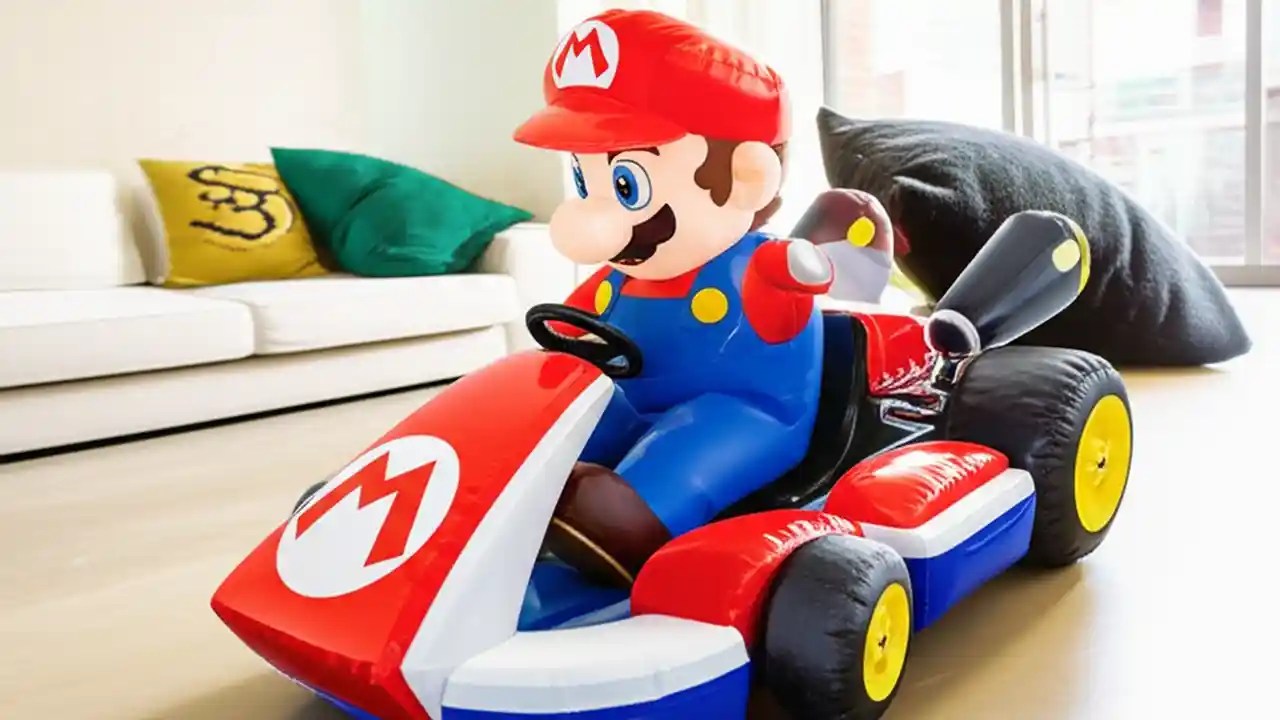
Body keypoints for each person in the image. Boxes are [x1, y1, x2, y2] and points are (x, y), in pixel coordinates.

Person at [513, 9, 832, 586]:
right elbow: (567, 339)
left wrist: (800, 268)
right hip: (631, 404)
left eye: (626, 185)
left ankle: (633, 520)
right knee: (543, 410)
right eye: (586, 182)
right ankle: (448, 494)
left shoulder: (760, 265)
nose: (587, 213)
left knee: (691, 435)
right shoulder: (615, 277)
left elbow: (810, 274)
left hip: (744, 409)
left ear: (745, 178)